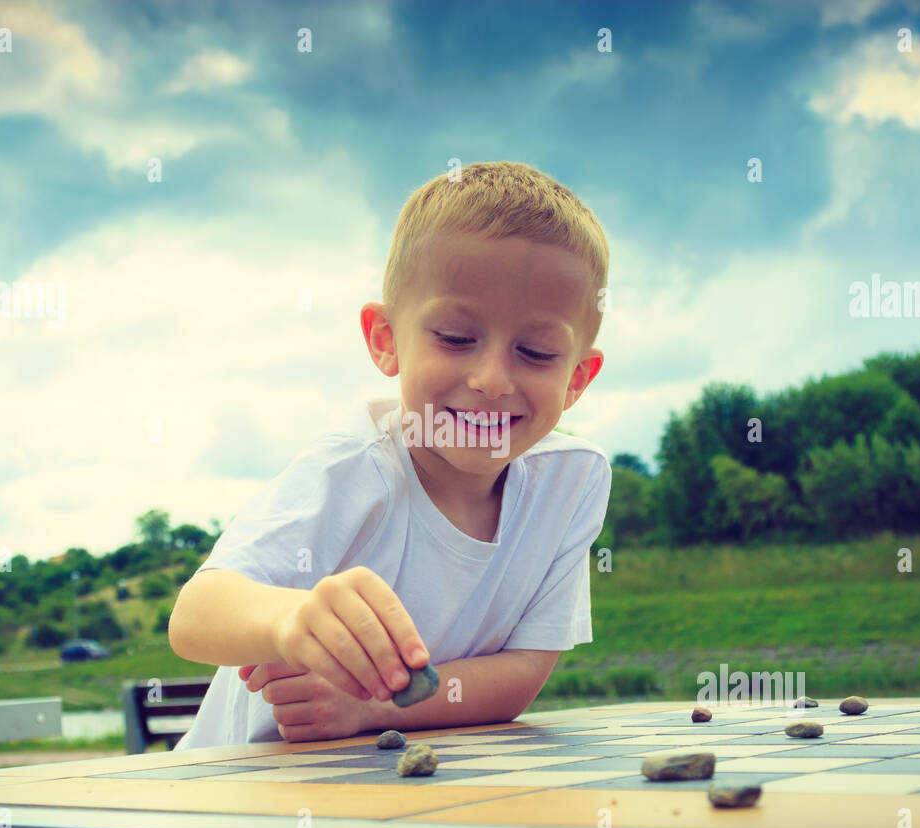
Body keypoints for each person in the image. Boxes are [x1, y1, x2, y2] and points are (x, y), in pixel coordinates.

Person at [169, 160, 612, 747]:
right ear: (385, 340)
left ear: (579, 378)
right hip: (240, 806)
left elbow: (521, 674)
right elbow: (195, 616)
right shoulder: (352, 469)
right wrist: (287, 621)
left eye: (535, 352)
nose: (491, 379)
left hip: (401, 800)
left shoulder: (572, 484)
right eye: (455, 338)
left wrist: (370, 708)